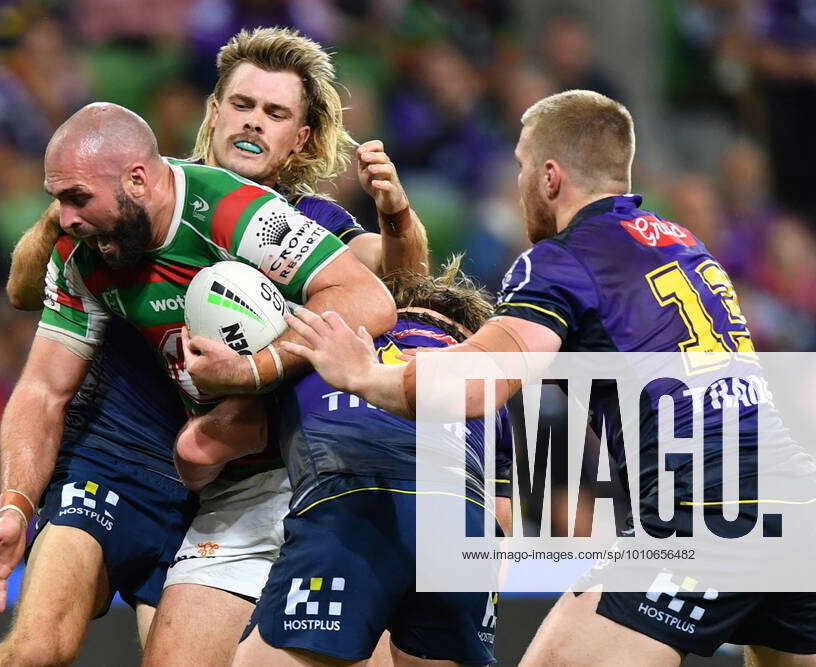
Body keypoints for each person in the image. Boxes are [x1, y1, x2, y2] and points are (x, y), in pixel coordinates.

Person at [281, 90, 816, 666]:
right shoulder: (684, 245)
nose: (518, 186)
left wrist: (364, 373)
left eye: (521, 166)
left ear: (550, 176)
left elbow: (476, 382)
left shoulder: (563, 259)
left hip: (706, 507)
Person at [0, 28, 429, 666]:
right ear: (213, 112)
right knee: (36, 649)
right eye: (242, 104)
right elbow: (21, 290)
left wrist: (395, 215)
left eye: (275, 113)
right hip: (122, 455)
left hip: (232, 479)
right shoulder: (133, 191)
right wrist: (77, 209)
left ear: (299, 139)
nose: (253, 122)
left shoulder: (302, 224)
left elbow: (392, 282)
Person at [176, 259, 513, 665]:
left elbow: (196, 452)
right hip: (463, 525)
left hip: (348, 508)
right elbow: (502, 522)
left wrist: (218, 385)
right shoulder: (489, 395)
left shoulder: (320, 352)